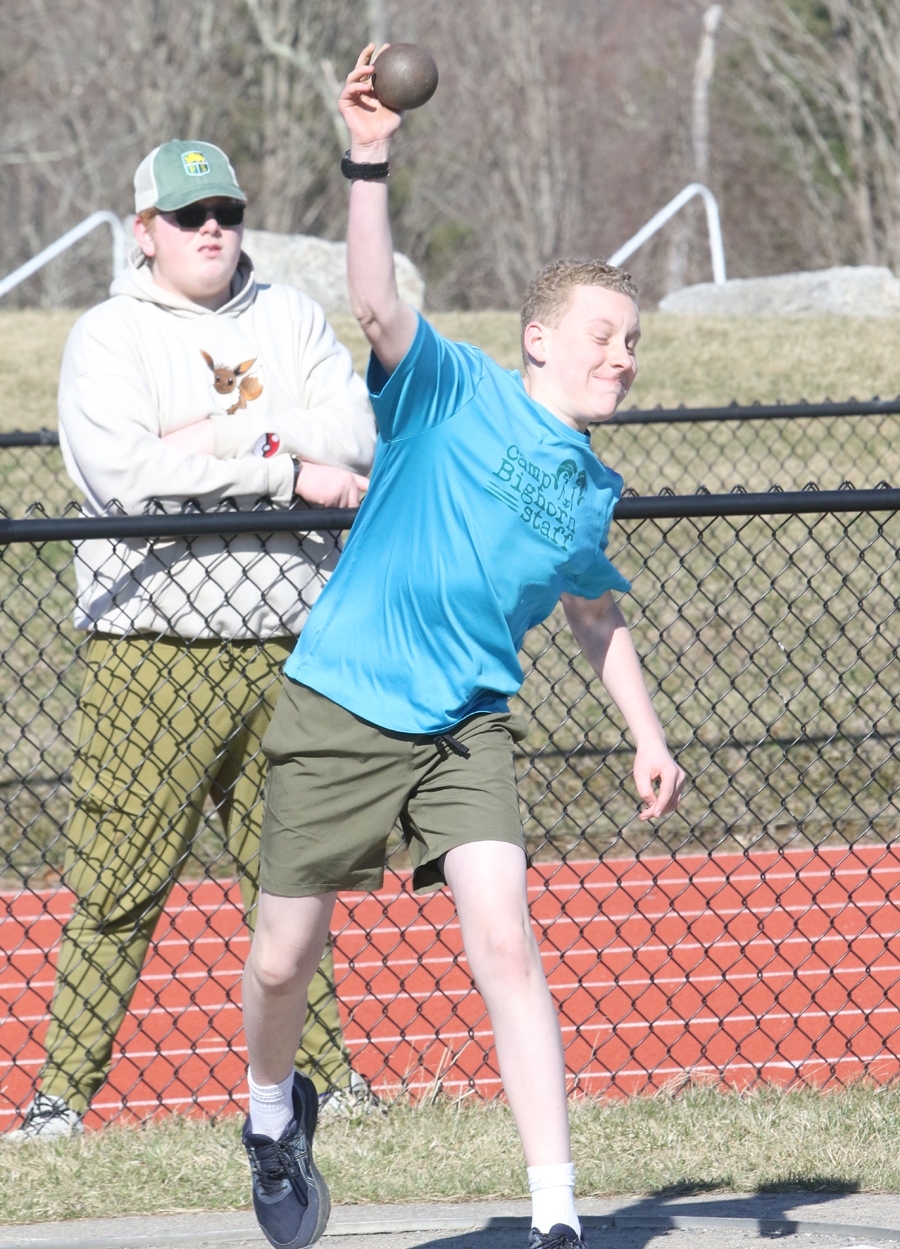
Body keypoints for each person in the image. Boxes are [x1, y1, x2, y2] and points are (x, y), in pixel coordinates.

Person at [238, 47, 686, 1249]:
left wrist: (645, 733)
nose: (622, 357)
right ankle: (271, 1114)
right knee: (282, 962)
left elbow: (593, 611)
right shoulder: (450, 390)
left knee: (505, 939)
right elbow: (377, 303)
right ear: (538, 339)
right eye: (603, 334)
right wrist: (370, 157)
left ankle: (556, 1214)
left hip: (464, 728)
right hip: (341, 703)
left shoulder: (592, 486)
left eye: (634, 341)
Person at [8, 139, 376, 1140]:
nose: (210, 227)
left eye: (224, 209)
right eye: (186, 215)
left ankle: (335, 1084)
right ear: (144, 232)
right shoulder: (109, 336)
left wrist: (210, 443)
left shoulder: (289, 315)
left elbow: (352, 435)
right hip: (153, 643)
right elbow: (125, 479)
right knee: (120, 883)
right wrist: (279, 466)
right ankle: (61, 1099)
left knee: (291, 882)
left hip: (288, 640)